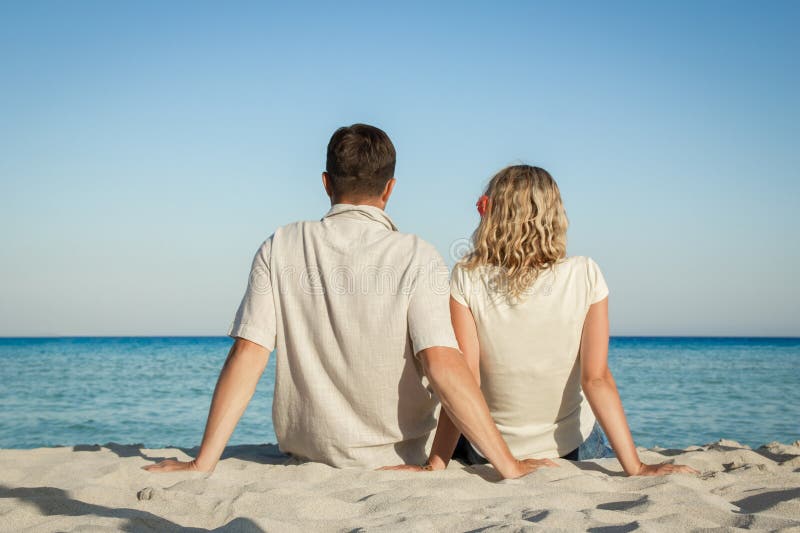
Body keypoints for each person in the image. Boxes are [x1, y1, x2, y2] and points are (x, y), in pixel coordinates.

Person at [143, 125, 552, 479]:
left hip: (307, 457)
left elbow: (249, 352)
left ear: (326, 183)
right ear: (389, 189)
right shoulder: (416, 254)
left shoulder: (281, 245)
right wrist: (509, 467)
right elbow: (442, 363)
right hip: (396, 457)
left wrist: (204, 463)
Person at [424, 164, 698, 476]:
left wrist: (437, 462)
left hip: (490, 451)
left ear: (492, 214)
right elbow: (596, 379)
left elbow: (466, 379)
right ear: (554, 215)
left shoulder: (467, 277)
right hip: (573, 449)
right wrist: (635, 467)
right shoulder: (585, 273)